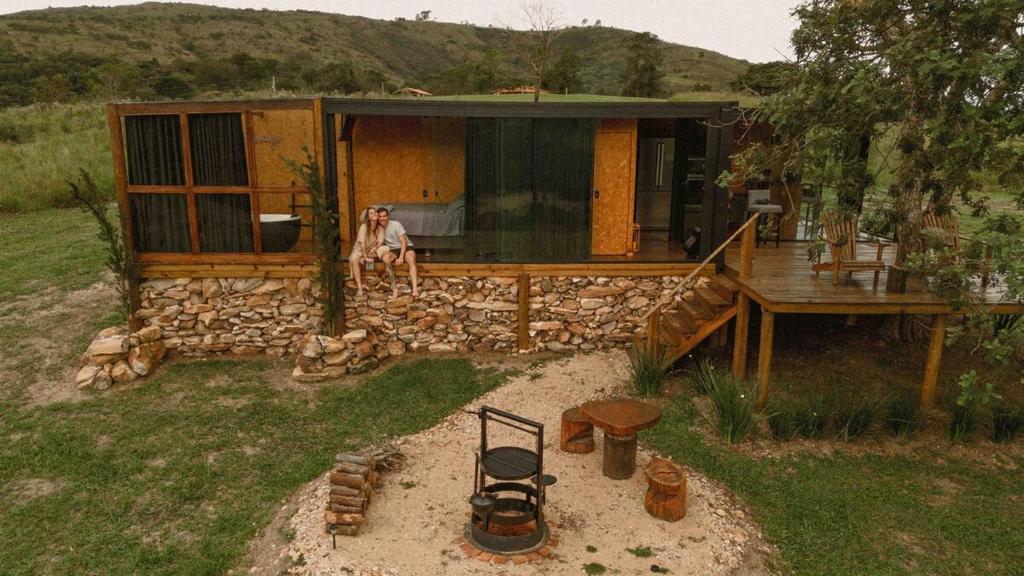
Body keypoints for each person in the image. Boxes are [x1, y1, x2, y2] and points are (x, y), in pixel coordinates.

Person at [377, 207, 419, 298]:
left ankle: (415, 289)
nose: (382, 218)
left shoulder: (396, 224)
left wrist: (401, 257)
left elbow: (404, 242)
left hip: (406, 246)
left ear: (388, 216)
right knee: (386, 259)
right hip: (393, 249)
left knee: (411, 259)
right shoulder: (379, 228)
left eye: (384, 216)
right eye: (380, 216)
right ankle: (394, 289)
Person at [348, 207, 384, 297]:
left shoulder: (380, 228)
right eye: (371, 213)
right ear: (368, 217)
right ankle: (359, 287)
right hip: (360, 250)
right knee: (354, 259)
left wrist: (372, 251)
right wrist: (365, 256)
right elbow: (362, 244)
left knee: (385, 248)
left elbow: (380, 242)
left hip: (372, 250)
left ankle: (367, 259)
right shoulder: (364, 227)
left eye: (375, 212)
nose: (374, 214)